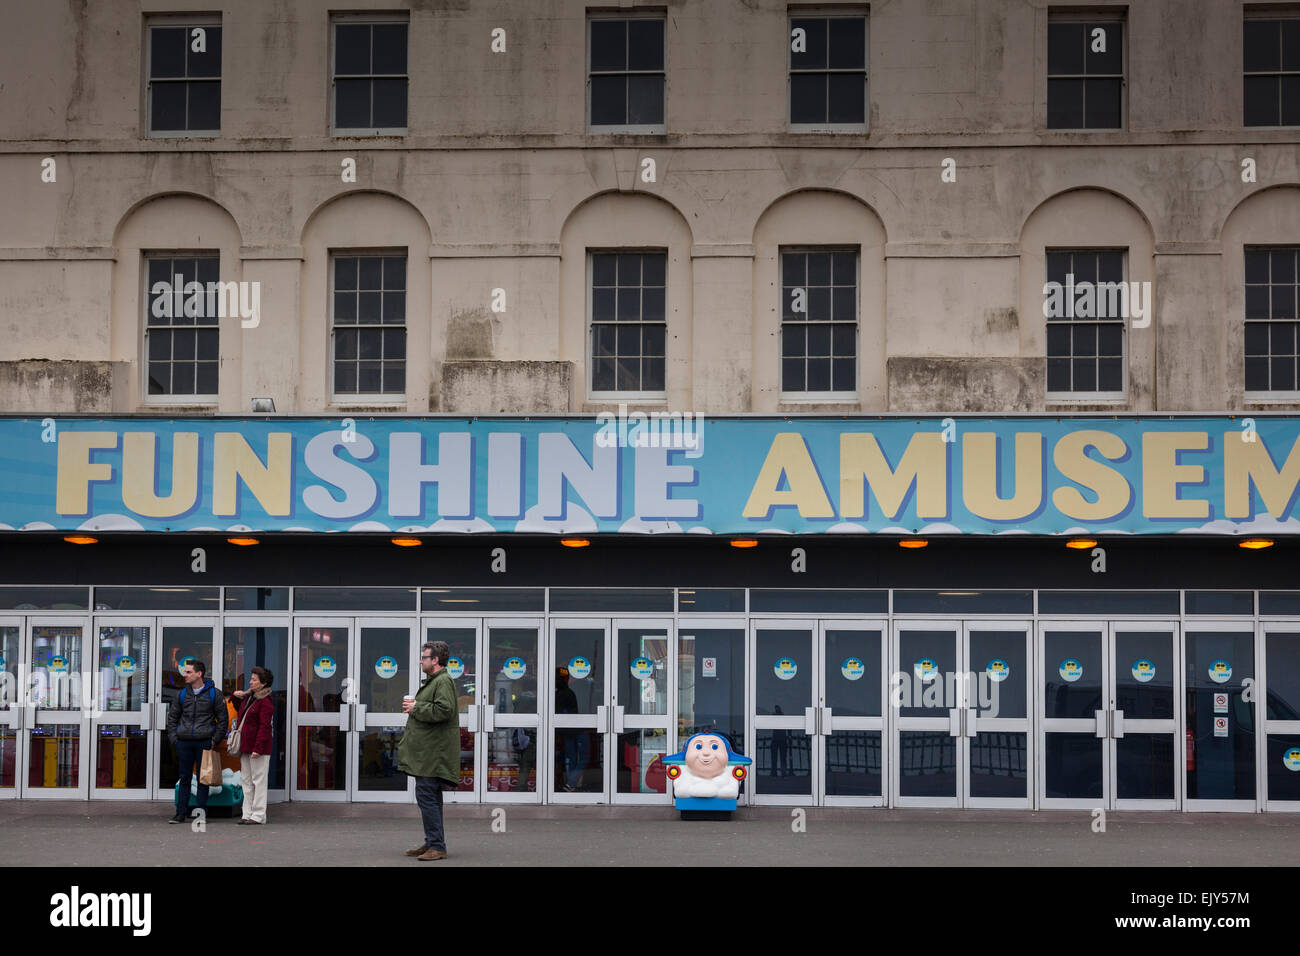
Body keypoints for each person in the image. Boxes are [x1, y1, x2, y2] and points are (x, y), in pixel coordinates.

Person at [397, 641, 459, 861]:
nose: (421, 660)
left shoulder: (442, 681)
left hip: (433, 754)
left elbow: (444, 710)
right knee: (430, 797)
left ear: (435, 660)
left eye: (424, 657)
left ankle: (437, 846)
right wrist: (417, 706)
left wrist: (417, 707)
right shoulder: (436, 681)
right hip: (429, 753)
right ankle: (433, 842)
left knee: (427, 797)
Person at [165, 660, 228, 823]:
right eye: (185, 672)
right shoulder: (182, 694)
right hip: (184, 742)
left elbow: (223, 720)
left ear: (199, 674)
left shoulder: (214, 693)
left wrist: (214, 740)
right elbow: (172, 718)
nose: (185, 675)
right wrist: (174, 739)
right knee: (184, 777)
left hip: (205, 741)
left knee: (203, 778)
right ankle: (180, 813)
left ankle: (201, 813)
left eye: (188, 672)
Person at [230, 666, 275, 825]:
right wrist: (236, 697)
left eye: (254, 680)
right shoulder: (251, 698)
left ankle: (258, 815)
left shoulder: (266, 702)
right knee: (246, 781)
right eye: (252, 679)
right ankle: (247, 813)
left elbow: (265, 727)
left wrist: (258, 748)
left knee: (258, 781)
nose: (250, 681)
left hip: (258, 748)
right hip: (246, 746)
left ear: (263, 683)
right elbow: (240, 712)